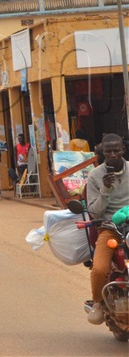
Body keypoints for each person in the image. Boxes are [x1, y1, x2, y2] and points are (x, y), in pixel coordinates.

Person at [84, 134, 129, 325]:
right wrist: (105, 190)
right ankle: (99, 303)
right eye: (108, 151)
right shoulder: (95, 176)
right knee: (99, 268)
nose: (112, 154)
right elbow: (94, 212)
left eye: (116, 150)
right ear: (103, 152)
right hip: (110, 228)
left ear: (123, 150)